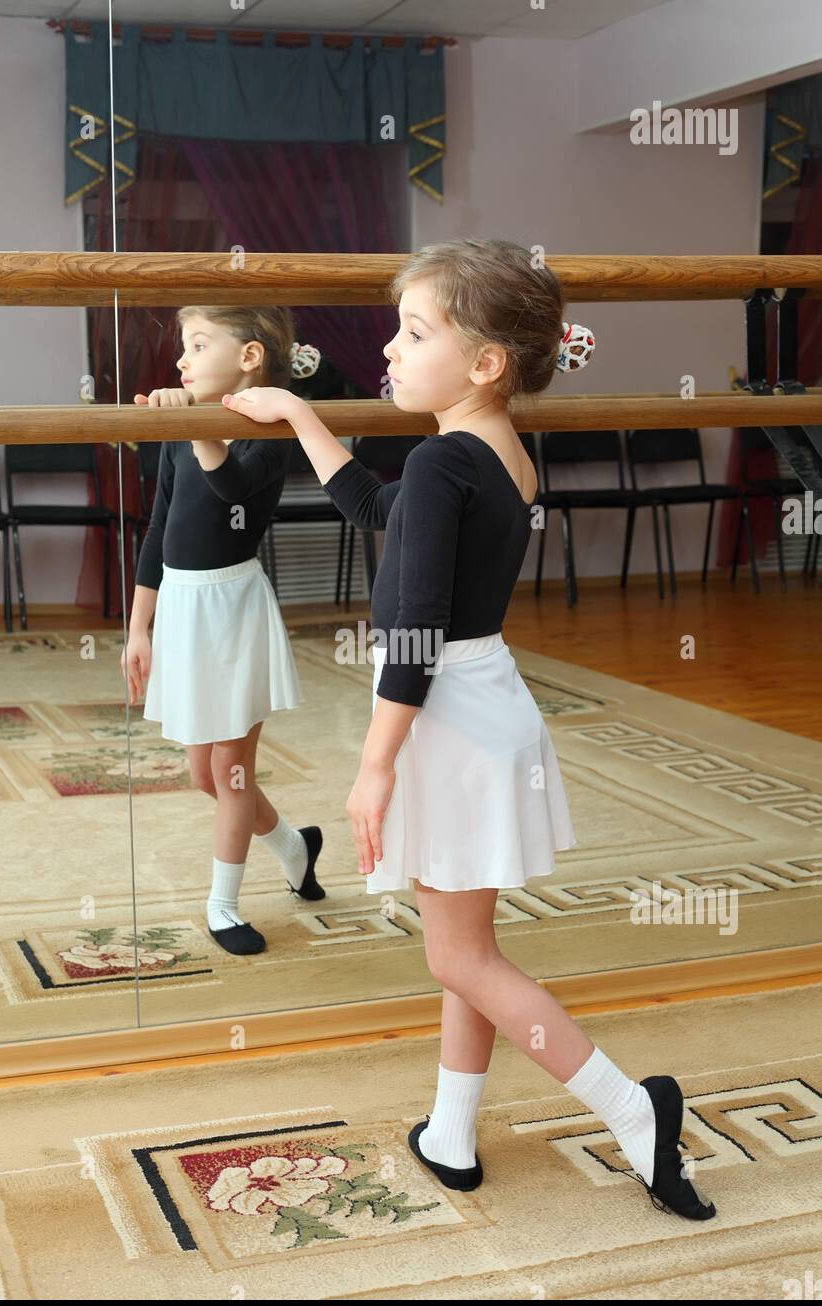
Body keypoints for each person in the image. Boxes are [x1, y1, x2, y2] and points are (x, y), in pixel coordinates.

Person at [222, 237, 715, 1221]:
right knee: (467, 942)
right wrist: (294, 414)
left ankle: (632, 1109)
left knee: (458, 957)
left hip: (440, 709)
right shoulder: (498, 454)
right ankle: (450, 1130)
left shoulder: (445, 455)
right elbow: (378, 506)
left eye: (413, 331)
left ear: (485, 362)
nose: (389, 351)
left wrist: (372, 765)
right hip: (490, 697)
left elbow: (405, 628)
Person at [121, 307, 327, 958]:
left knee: (232, 770)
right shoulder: (178, 434)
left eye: (199, 344)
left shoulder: (271, 425)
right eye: (182, 347)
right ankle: (295, 845)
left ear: (249, 358)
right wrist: (138, 628)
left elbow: (232, 486)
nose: (182, 359)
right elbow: (157, 532)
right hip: (181, 608)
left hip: (234, 608)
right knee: (204, 776)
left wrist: (194, 424)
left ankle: (223, 907)